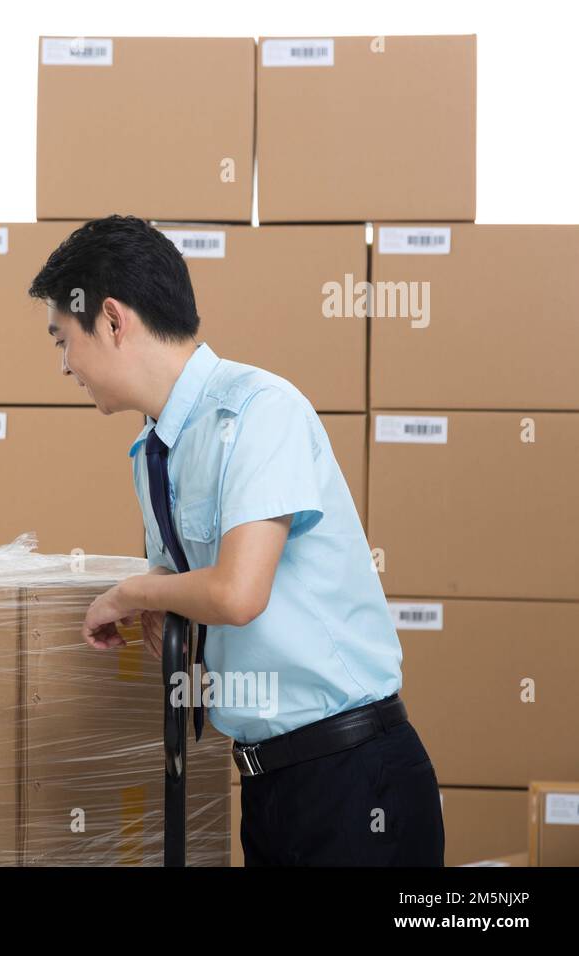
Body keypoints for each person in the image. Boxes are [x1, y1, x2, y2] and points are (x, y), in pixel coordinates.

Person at [29, 215, 444, 866]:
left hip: (354, 777)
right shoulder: (153, 452)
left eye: (63, 340)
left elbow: (239, 592)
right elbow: (195, 605)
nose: (63, 366)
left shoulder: (258, 412)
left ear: (112, 320)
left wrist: (131, 590)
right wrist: (159, 613)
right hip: (267, 782)